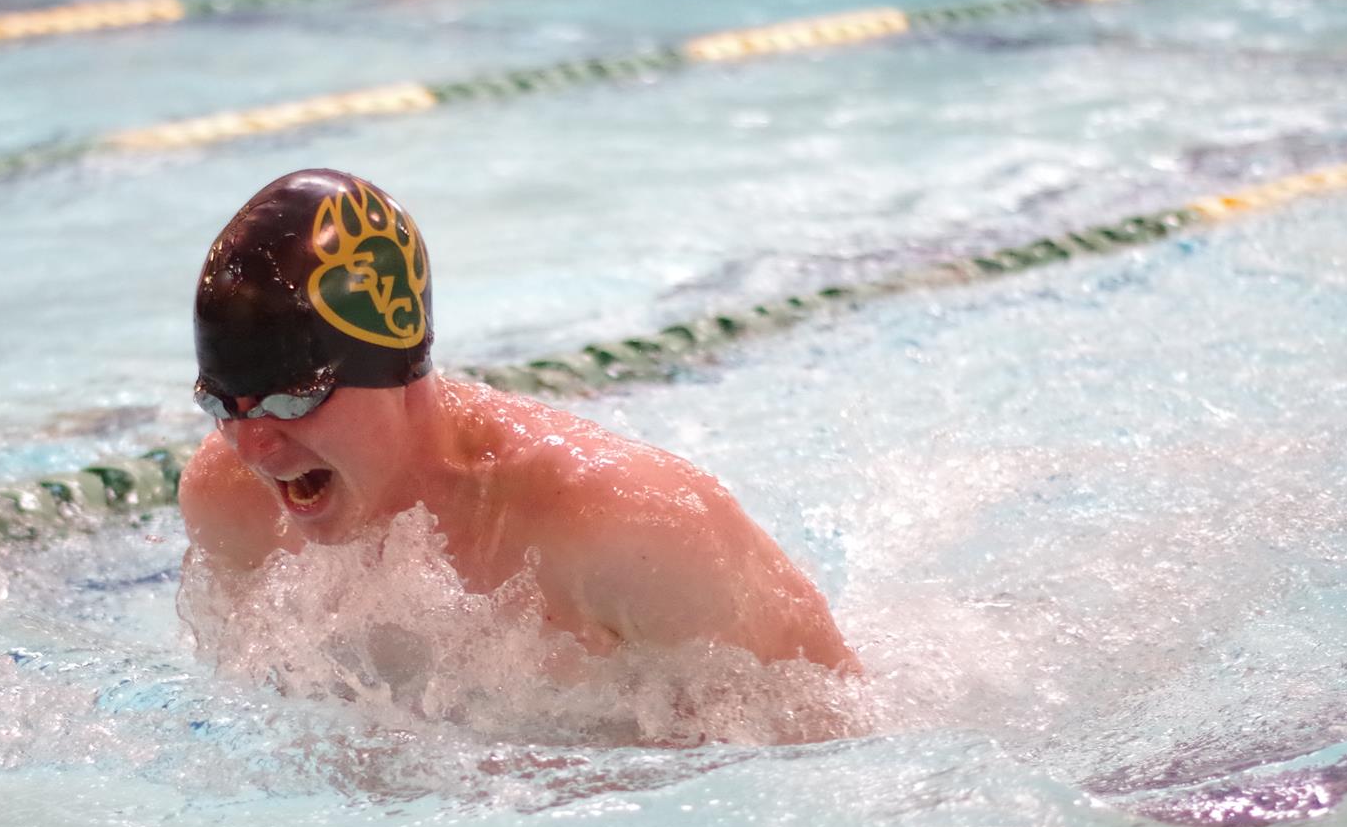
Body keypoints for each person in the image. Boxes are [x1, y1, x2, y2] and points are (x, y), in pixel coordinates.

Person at [178, 168, 858, 673]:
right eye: (223, 407)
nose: (257, 447)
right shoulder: (226, 503)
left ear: (398, 369)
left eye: (295, 400)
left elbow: (835, 740)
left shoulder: (628, 529)